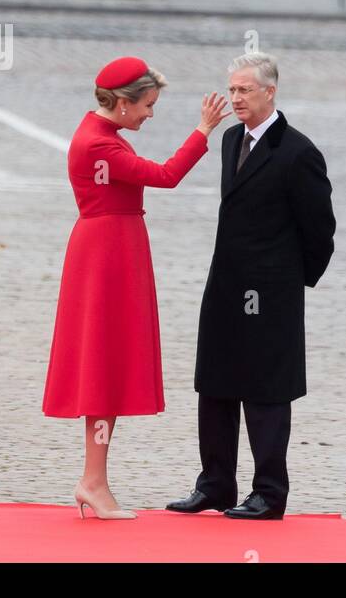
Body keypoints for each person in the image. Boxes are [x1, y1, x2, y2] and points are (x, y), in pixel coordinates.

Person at [44, 56, 230, 520]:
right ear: (123, 103)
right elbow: (166, 176)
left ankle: (95, 480)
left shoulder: (102, 137)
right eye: (147, 105)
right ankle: (93, 480)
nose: (150, 114)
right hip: (107, 256)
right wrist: (203, 130)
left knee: (106, 368)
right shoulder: (100, 147)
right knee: (103, 369)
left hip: (113, 250)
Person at [167, 52, 335, 521]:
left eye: (244, 90)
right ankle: (216, 484)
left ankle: (269, 494)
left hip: (271, 293)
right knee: (216, 385)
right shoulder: (230, 140)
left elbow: (319, 230)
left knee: (265, 392)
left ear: (269, 92)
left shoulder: (299, 152)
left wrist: (289, 283)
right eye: (232, 89)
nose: (235, 98)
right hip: (225, 283)